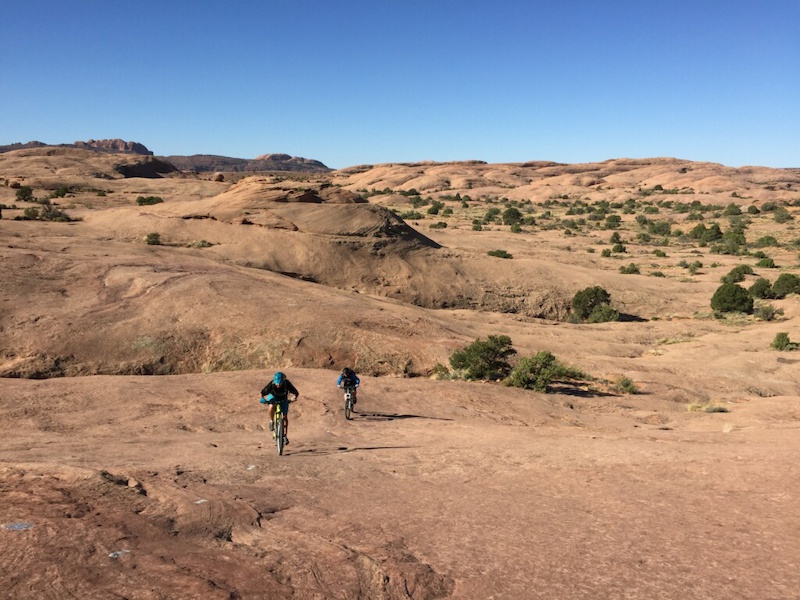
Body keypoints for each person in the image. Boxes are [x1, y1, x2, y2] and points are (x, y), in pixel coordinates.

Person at [260, 371, 299, 444]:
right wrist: (263, 399)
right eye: (276, 383)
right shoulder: (271, 384)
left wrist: (294, 397)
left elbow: (296, 392)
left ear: (283, 381)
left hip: (283, 400)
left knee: (285, 417)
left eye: (280, 383)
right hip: (273, 398)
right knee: (271, 406)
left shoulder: (287, 383)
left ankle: (284, 436)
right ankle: (271, 421)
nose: (278, 385)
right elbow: (262, 393)